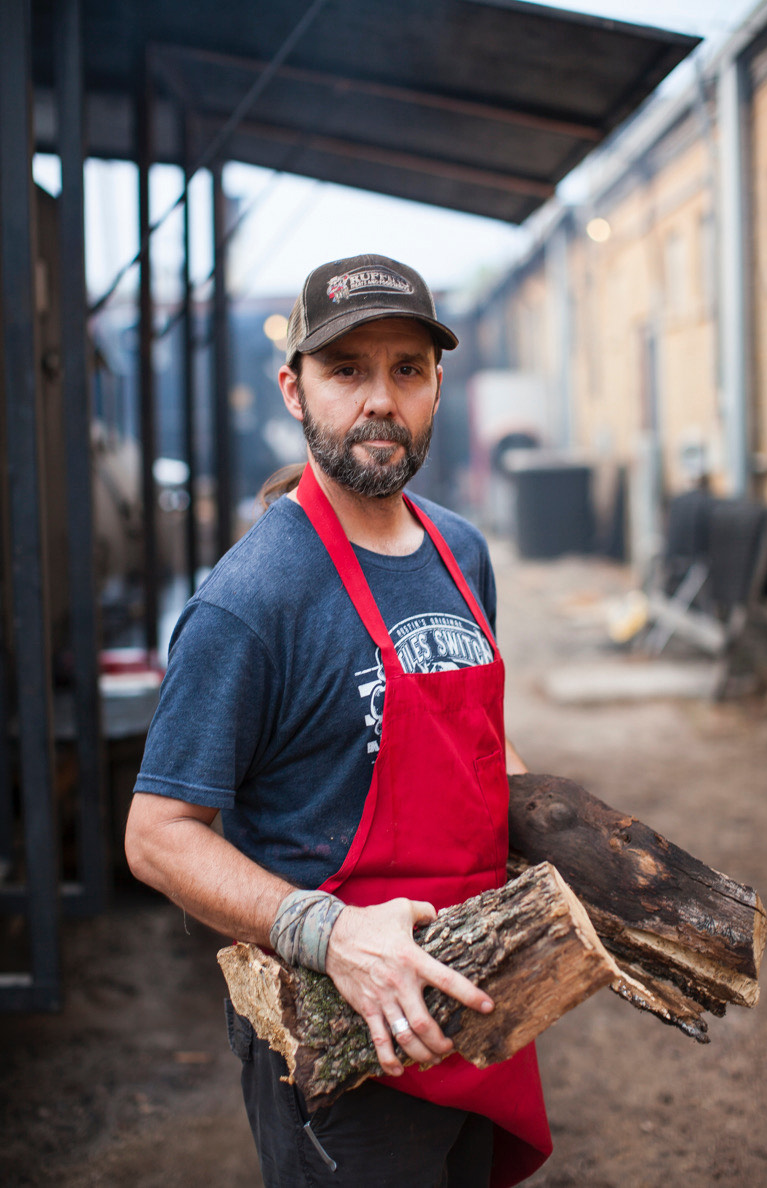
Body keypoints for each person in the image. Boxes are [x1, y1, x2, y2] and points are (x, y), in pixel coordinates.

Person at [125, 253, 552, 1187]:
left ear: (440, 383)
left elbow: (479, 738)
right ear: (295, 388)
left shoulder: (462, 550)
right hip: (343, 1041)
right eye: (347, 370)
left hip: (477, 1001)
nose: (379, 400)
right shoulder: (251, 600)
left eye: (406, 369)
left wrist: (580, 850)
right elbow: (157, 836)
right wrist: (328, 934)